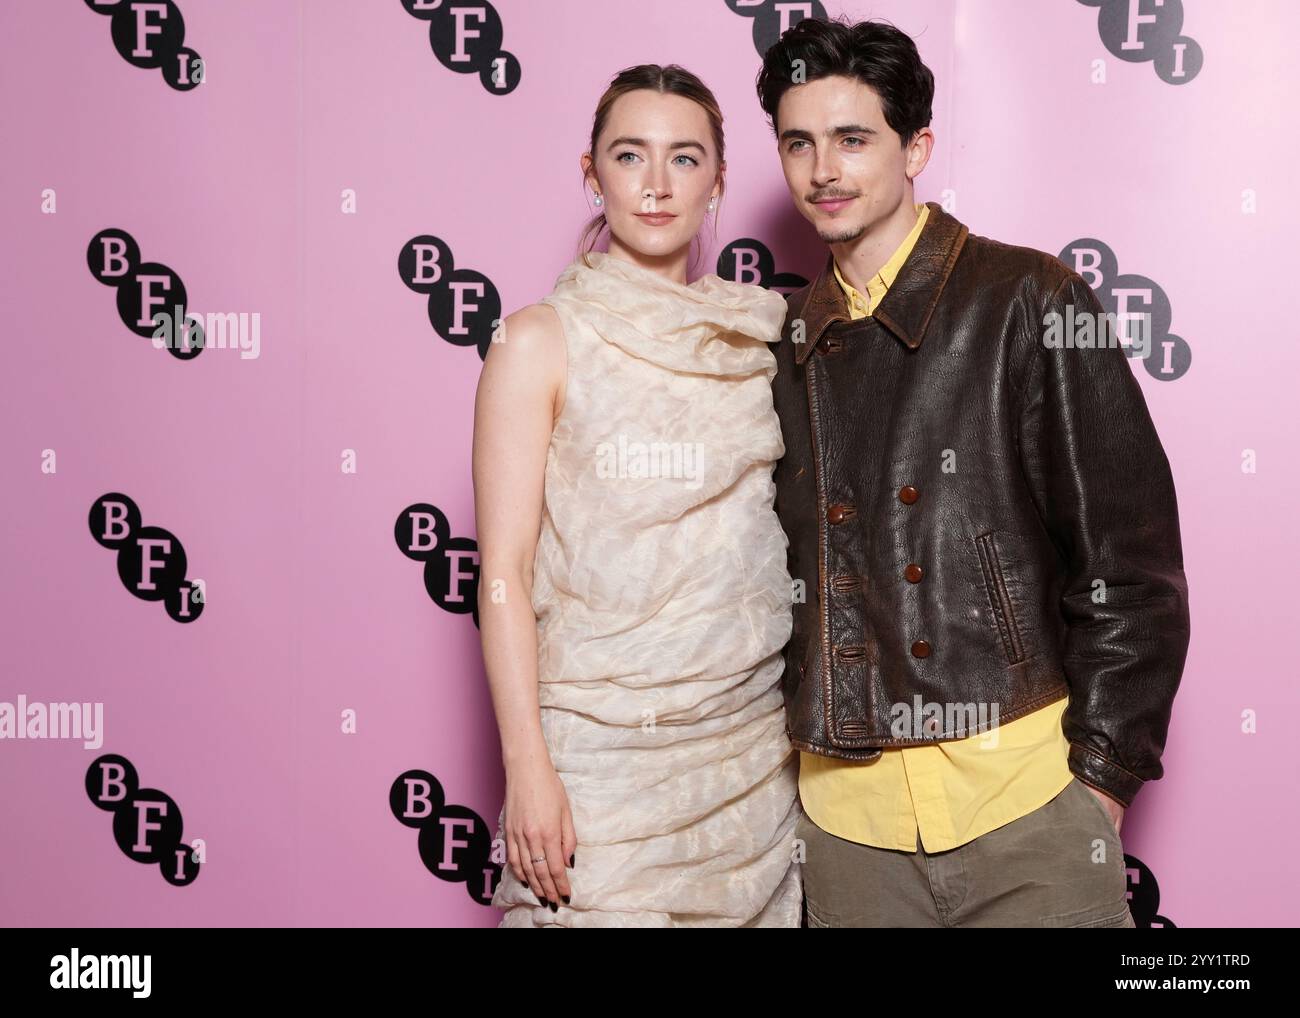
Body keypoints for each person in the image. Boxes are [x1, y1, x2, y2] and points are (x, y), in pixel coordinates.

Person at [757, 17, 1190, 927]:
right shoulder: (778, 343)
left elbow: (1130, 564)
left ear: (917, 146)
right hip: (847, 832)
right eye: (798, 143)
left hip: (1028, 810)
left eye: (852, 139)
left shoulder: (1028, 300)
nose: (823, 170)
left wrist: (1102, 781)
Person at [472, 63, 803, 927]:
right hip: (600, 755)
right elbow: (501, 570)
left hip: (747, 760)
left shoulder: (754, 337)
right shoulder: (538, 340)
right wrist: (527, 768)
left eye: (685, 159)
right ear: (593, 172)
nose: (656, 185)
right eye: (630, 156)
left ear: (719, 181)